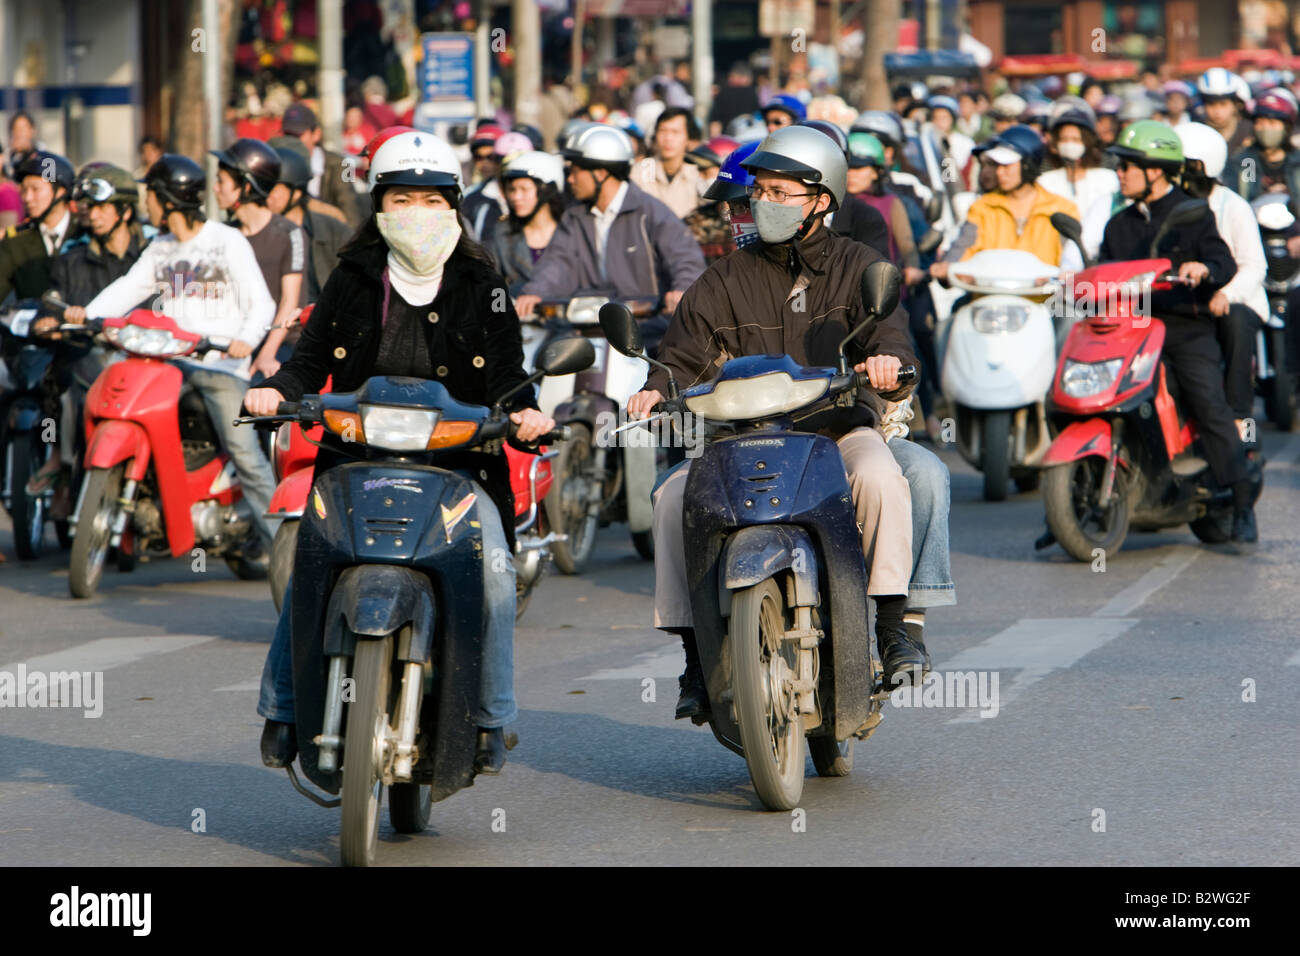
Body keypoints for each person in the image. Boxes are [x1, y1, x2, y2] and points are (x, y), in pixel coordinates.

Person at [243, 128, 553, 774]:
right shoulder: (352, 278)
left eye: (433, 200)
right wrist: (275, 393)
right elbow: (305, 362)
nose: (418, 215)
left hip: (461, 466)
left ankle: (492, 715)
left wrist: (524, 410)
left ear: (455, 206)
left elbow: (507, 371)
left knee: (495, 571)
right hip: (356, 461)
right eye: (403, 200)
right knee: (311, 561)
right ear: (380, 206)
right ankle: (284, 704)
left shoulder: (482, 280)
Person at [627, 125, 931, 712]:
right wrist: (654, 387)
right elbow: (681, 357)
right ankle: (696, 656)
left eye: (779, 192)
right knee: (669, 500)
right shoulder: (723, 279)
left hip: (836, 429)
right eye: (760, 192)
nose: (763, 203)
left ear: (821, 200)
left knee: (881, 477)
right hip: (738, 438)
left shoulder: (858, 266)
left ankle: (892, 625)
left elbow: (892, 335)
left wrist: (889, 362)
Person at [75, 155, 279, 555]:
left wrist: (245, 339)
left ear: (169, 200)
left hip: (221, 364)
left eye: (151, 194)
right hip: (168, 363)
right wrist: (89, 314)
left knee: (244, 451)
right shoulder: (161, 247)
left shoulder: (227, 241)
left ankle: (286, 548)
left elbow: (263, 303)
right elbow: (127, 288)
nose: (146, 203)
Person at [1101, 120, 1256, 544]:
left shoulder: (1192, 212)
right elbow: (1100, 274)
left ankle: (1241, 502)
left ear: (1156, 171)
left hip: (1183, 328)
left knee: (1209, 403)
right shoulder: (1118, 226)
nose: (1120, 173)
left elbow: (1225, 264)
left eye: (1127, 166)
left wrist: (1204, 268)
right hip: (1129, 329)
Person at [514, 124, 706, 356]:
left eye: (575, 171)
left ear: (601, 173)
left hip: (644, 331)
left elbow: (684, 258)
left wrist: (680, 289)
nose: (571, 179)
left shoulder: (651, 213)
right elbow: (557, 262)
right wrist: (536, 291)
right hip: (584, 330)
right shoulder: (574, 217)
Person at [28, 165, 154, 510]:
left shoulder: (152, 259)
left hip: (145, 364)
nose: (92, 215)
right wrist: (49, 322)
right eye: (89, 207)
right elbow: (47, 310)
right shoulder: (70, 261)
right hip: (86, 364)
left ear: (125, 211)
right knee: (61, 392)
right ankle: (64, 464)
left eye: (101, 207)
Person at [1178, 122, 1270, 439]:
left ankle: (1243, 428)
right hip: (1189, 301)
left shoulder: (1233, 206)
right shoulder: (1173, 206)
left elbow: (1255, 267)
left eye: (1179, 165)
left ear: (1200, 166)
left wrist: (1226, 295)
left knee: (1235, 327)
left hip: (1238, 301)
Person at [932, 125, 1082, 281]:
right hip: (988, 299)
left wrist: (1062, 277)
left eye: (1007, 165)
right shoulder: (982, 207)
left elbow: (1071, 263)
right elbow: (962, 249)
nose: (999, 172)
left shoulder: (1063, 209)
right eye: (997, 165)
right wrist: (947, 267)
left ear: (1028, 165)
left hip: (1041, 299)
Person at [211, 138, 305, 376]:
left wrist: (267, 352)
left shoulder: (289, 233)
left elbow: (289, 301)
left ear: (247, 187)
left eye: (221, 181)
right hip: (236, 340)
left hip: (280, 340)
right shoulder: (224, 234)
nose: (215, 188)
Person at [266, 145, 353, 306]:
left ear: (296, 192)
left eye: (273, 188)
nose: (266, 195)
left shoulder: (334, 231)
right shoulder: (256, 231)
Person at [1037, 104, 1121, 261]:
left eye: (1075, 139)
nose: (1069, 144)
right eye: (1064, 139)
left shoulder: (1108, 178)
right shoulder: (1044, 181)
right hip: (1055, 257)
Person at [0, 151, 79, 306]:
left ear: (60, 191)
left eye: (35, 189)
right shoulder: (16, 240)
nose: (27, 198)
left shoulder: (83, 234)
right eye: (24, 190)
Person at [488, 149, 566, 293]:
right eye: (512, 190)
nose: (516, 197)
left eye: (524, 189)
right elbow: (492, 287)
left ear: (546, 189)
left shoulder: (572, 231)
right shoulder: (502, 233)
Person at [280, 102, 364, 228]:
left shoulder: (343, 164)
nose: (292, 141)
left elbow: (351, 213)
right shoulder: (279, 163)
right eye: (288, 135)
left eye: (298, 135)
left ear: (316, 134)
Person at [630, 107, 703, 219]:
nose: (668, 138)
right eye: (663, 131)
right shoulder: (639, 172)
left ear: (688, 138)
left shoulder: (697, 175)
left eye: (675, 132)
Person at [1228, 89, 1300, 202]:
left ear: (1287, 128)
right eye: (1260, 122)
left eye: (1272, 123)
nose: (1265, 129)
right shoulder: (1243, 162)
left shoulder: (1297, 163)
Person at [1197, 68, 1253, 155]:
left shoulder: (1249, 132)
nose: (1217, 111)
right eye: (1211, 104)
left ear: (1235, 105)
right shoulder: (1197, 133)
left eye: (1223, 104)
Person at [708, 62, 762, 138]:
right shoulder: (754, 93)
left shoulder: (724, 93)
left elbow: (715, 122)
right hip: (750, 138)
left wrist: (714, 140)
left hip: (728, 141)